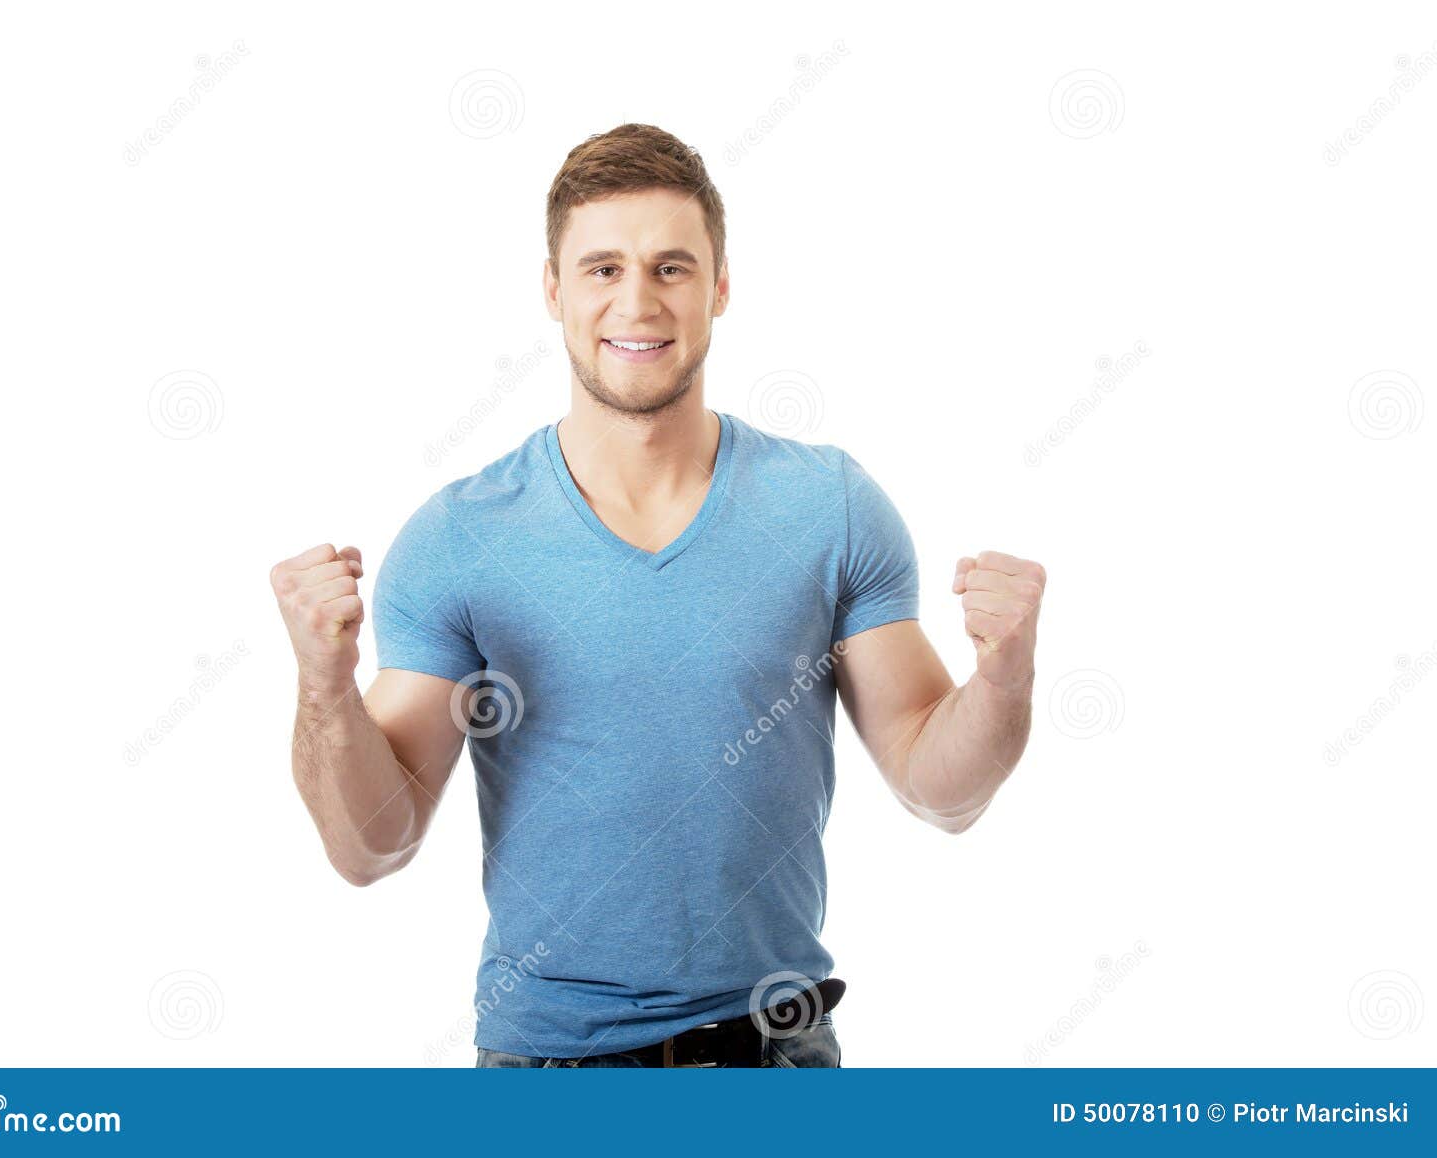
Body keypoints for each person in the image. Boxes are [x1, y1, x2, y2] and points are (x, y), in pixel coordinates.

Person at [270, 123, 1046, 1067]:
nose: (637, 301)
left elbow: (938, 790)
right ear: (552, 291)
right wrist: (322, 683)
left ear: (721, 287)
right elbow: (371, 848)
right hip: (548, 1069)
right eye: (601, 269)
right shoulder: (460, 539)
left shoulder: (830, 508)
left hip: (781, 1059)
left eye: (671, 268)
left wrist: (1003, 681)